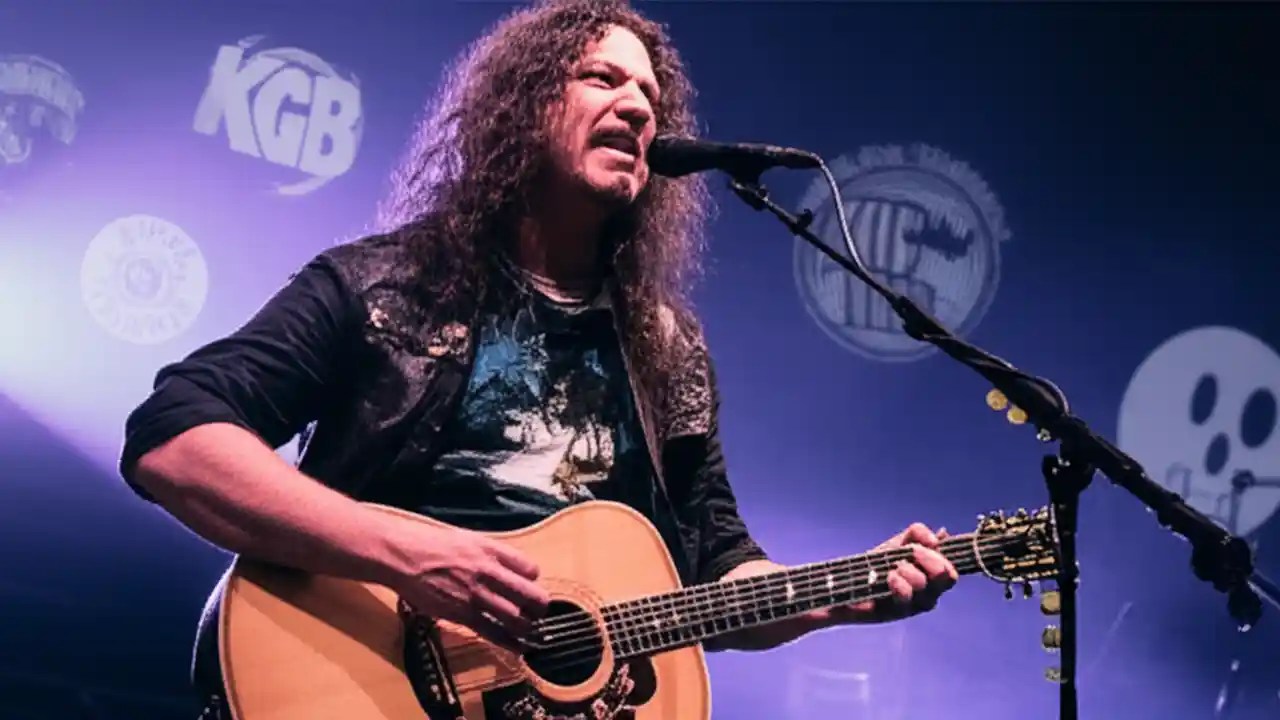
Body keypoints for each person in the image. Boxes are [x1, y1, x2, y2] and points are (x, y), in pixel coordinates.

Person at [118, 1, 957, 716]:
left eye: (651, 96)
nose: (637, 108)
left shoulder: (668, 349)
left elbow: (715, 569)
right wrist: (412, 557)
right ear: (519, 108)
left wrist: (835, 600)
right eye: (603, 78)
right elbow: (174, 439)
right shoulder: (383, 286)